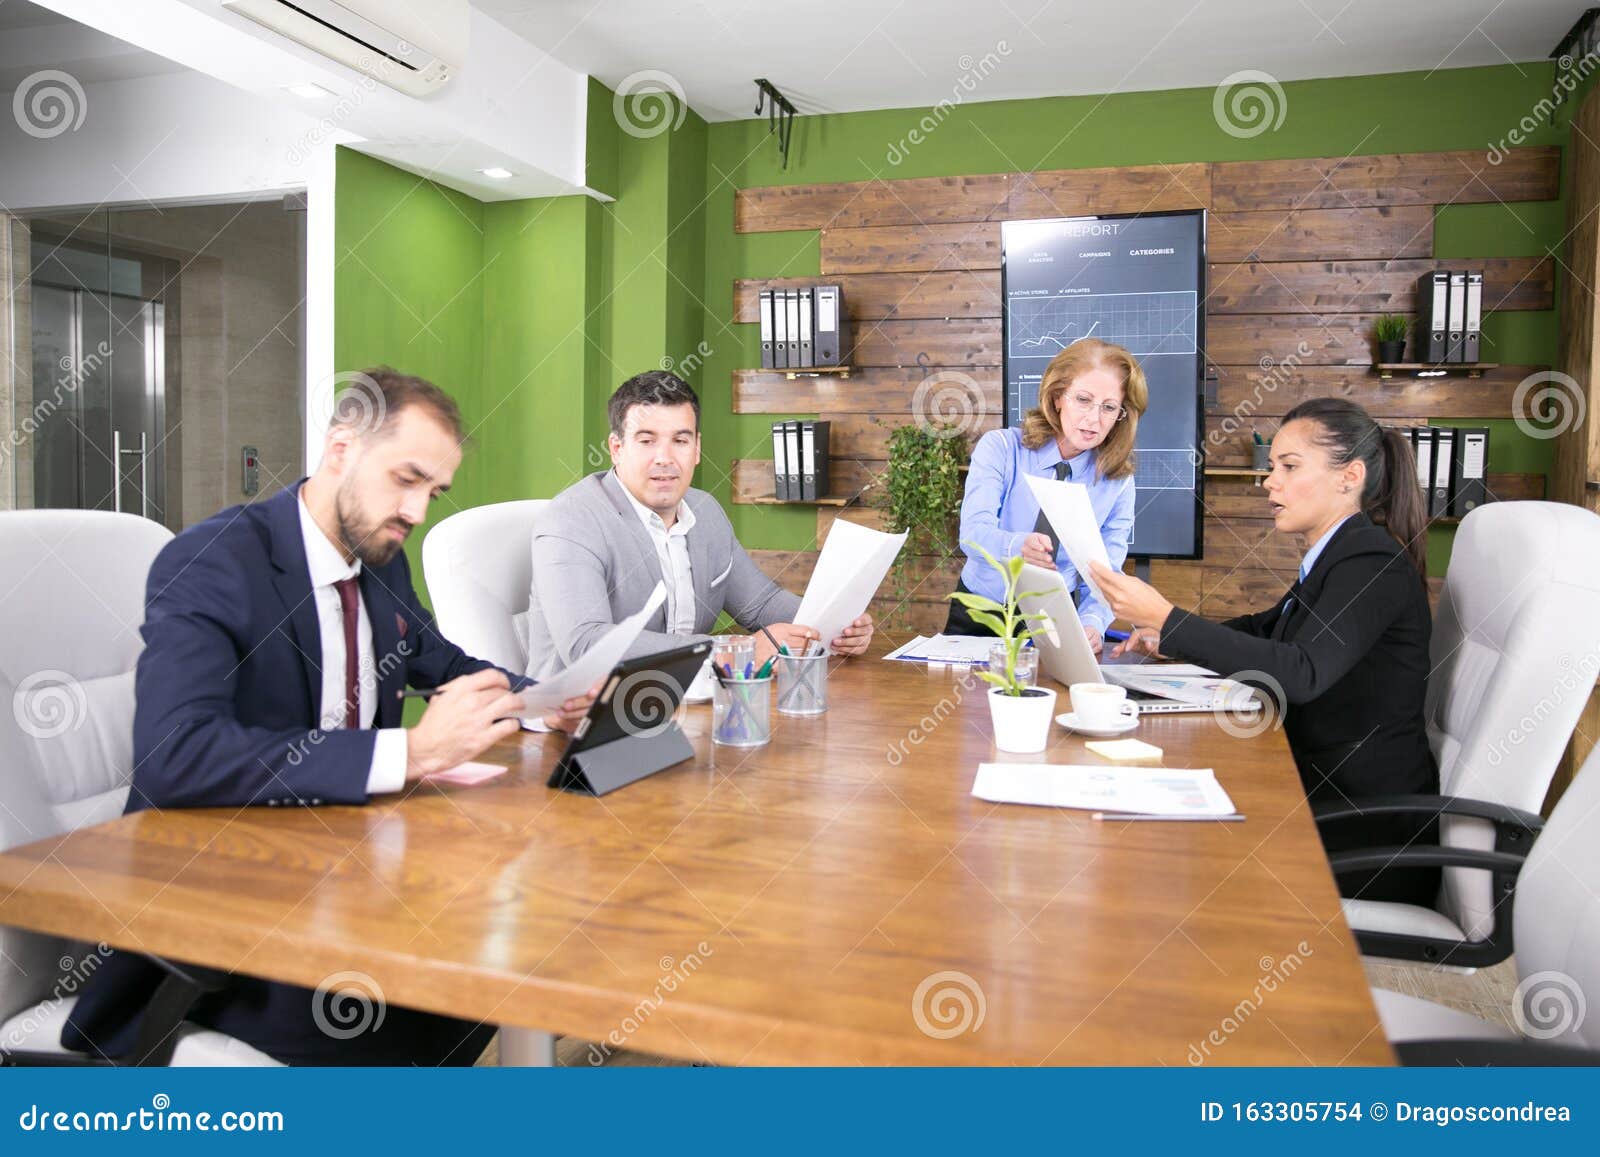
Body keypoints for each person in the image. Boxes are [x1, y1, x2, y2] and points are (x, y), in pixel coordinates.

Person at [64, 368, 595, 1066]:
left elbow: (440, 660)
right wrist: (411, 753)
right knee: (453, 988)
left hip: (345, 880)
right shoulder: (214, 562)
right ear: (341, 448)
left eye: (433, 492)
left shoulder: (378, 558)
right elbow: (176, 755)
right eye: (406, 479)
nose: (417, 511)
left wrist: (547, 700)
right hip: (217, 920)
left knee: (501, 952)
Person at [1089, 397, 1439, 905]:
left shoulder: (1371, 561)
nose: (1269, 482)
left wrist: (1167, 618)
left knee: (1160, 858)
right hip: (1324, 795)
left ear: (1350, 476)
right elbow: (1269, 629)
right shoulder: (1339, 555)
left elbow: (1301, 671)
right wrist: (1170, 639)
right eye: (1272, 466)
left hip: (1361, 832)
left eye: (1289, 467)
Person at [525, 370, 873, 676]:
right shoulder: (571, 520)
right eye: (646, 441)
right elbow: (587, 644)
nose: (665, 458)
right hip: (578, 716)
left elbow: (761, 603)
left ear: (696, 449)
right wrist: (735, 651)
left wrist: (832, 626)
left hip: (684, 701)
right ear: (617, 448)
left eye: (680, 440)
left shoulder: (704, 511)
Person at [949, 339, 1145, 654]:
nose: (1094, 419)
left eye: (1109, 407)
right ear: (1057, 397)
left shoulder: (1118, 481)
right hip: (980, 613)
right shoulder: (1002, 448)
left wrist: (1092, 623)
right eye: (1083, 400)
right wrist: (1018, 547)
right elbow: (972, 535)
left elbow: (1107, 570)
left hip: (1052, 620)